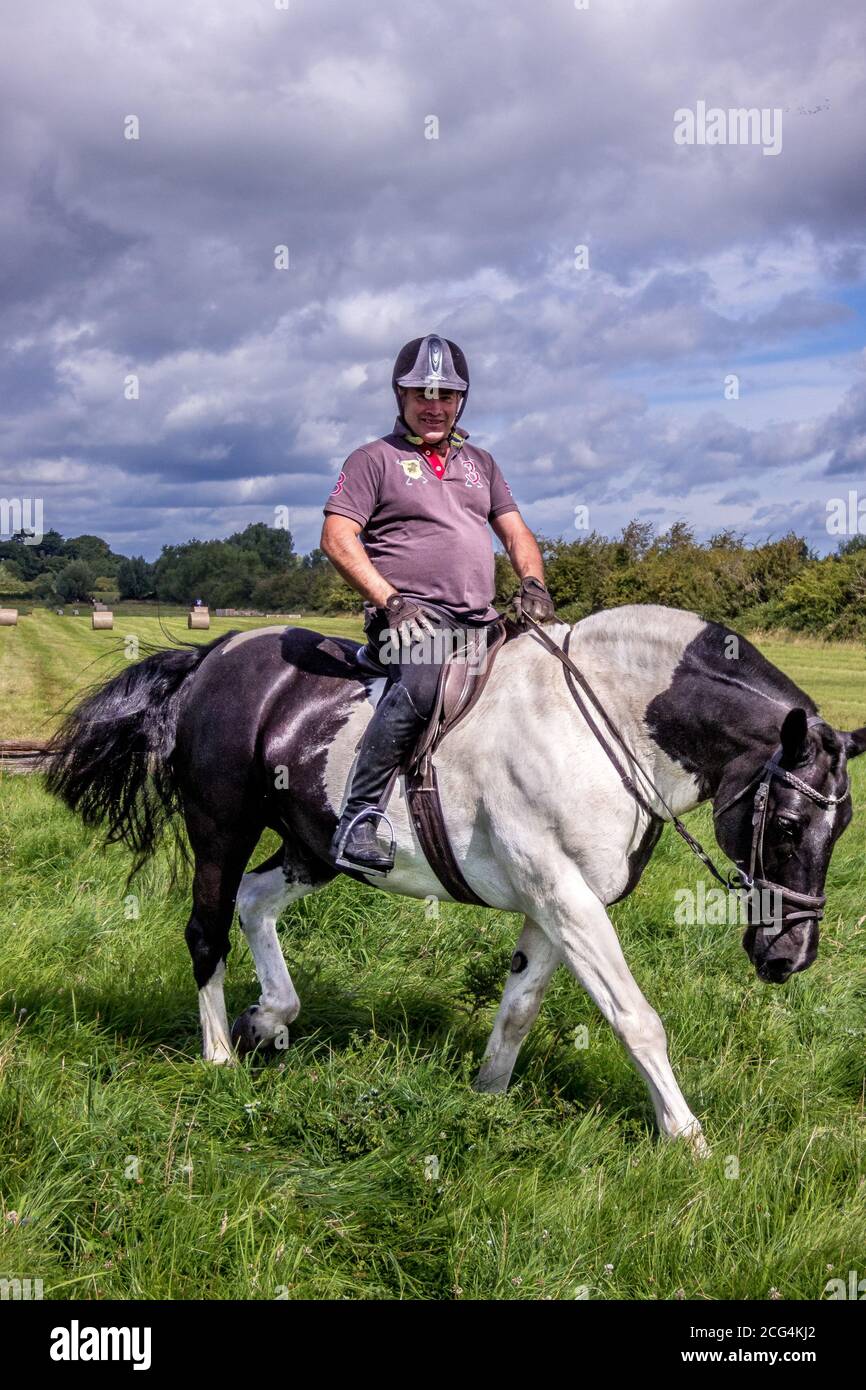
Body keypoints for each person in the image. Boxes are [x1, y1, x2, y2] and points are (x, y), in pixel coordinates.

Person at [321, 334, 556, 874]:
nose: (434, 405)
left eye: (446, 395)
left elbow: (517, 533)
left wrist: (534, 584)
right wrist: (391, 600)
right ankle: (359, 817)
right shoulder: (372, 460)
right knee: (424, 681)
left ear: (461, 401)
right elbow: (337, 536)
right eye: (422, 393)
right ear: (400, 397)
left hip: (484, 620)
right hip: (409, 617)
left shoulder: (482, 464)